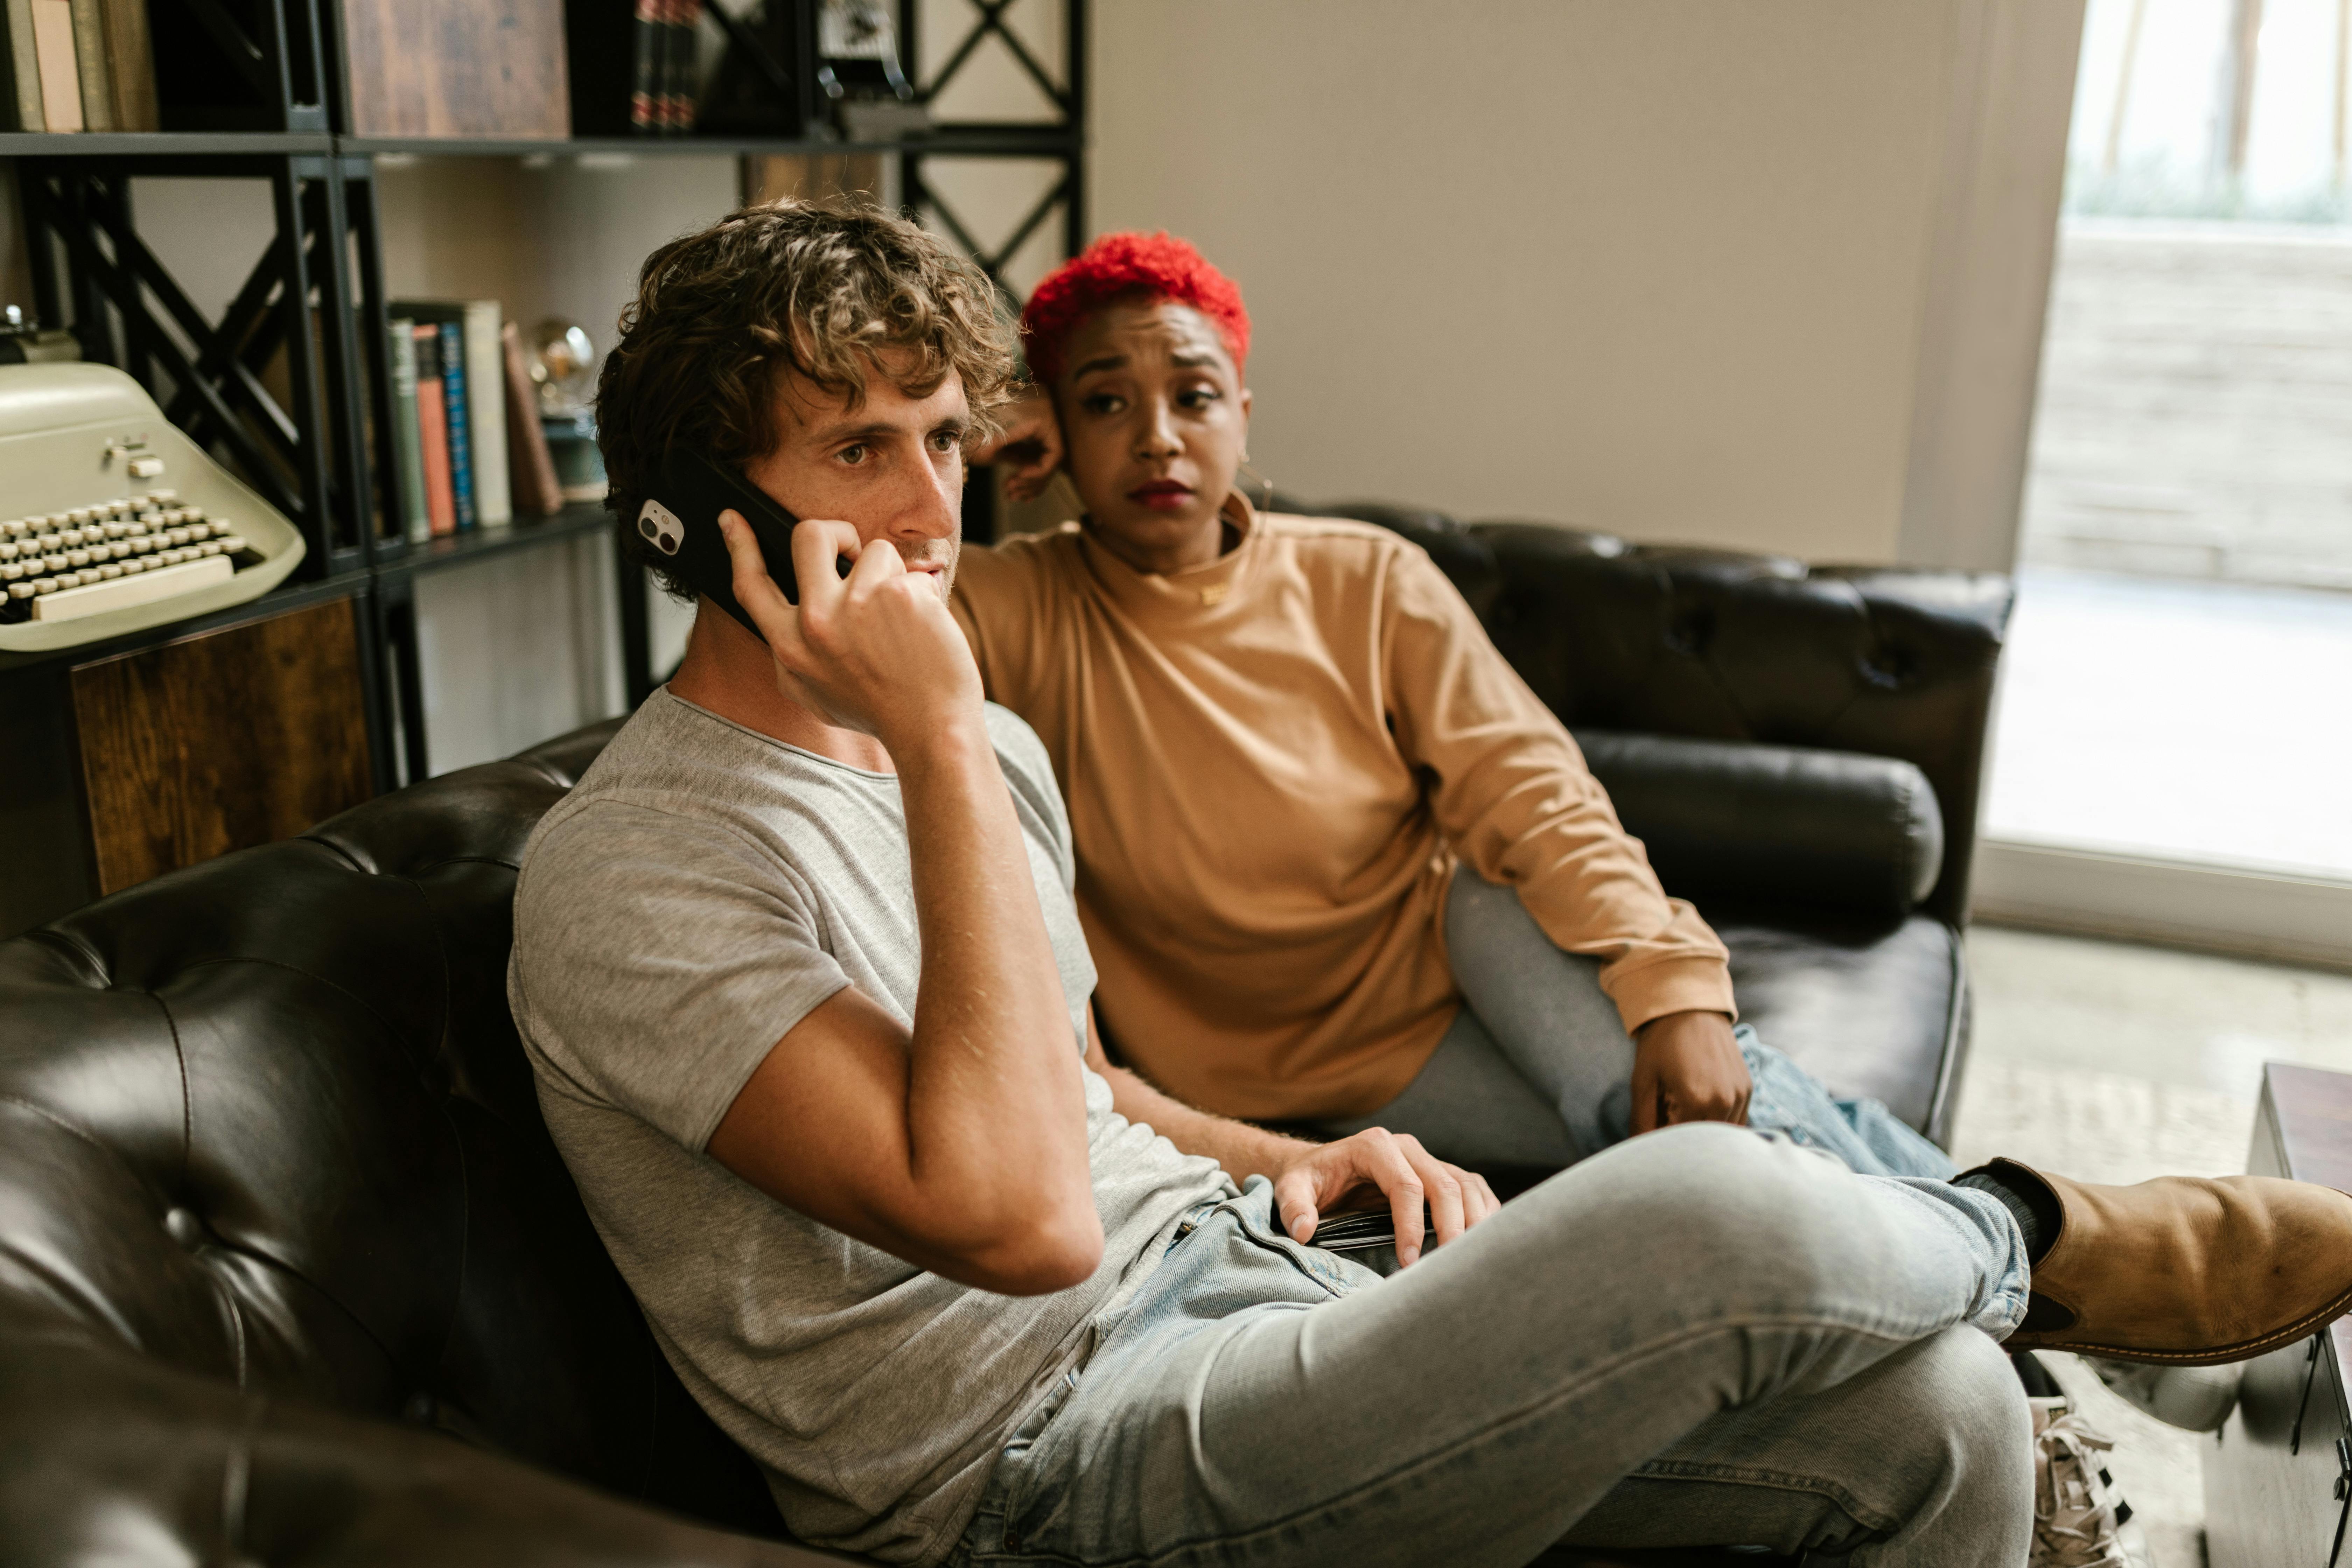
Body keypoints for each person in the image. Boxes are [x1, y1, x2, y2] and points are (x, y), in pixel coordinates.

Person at [509, 196, 2352, 1568]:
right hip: (1043, 1453)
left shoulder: (994, 739)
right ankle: (2039, 1247)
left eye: (938, 442)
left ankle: (2000, 1293)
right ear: (705, 518)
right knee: (1713, 1210)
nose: (927, 513)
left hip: (1246, 1275)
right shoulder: (639, 869)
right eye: (857, 453)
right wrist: (927, 745)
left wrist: (1284, 1156)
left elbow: (1082, 1099)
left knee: (1937, 1419)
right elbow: (1021, 1221)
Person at [955, 231, 1933, 1181]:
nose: (1159, 437)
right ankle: (2025, 1239)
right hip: (1269, 1074)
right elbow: (817, 608)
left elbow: (1532, 792)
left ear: (1243, 416)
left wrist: (1677, 987)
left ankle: (2011, 1246)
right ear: (1058, 437)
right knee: (1709, 1155)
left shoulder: (1369, 579)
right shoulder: (1010, 606)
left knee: (1708, 1116)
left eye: (1195, 397)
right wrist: (959, 438)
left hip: (1460, 953)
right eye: (1106, 403)